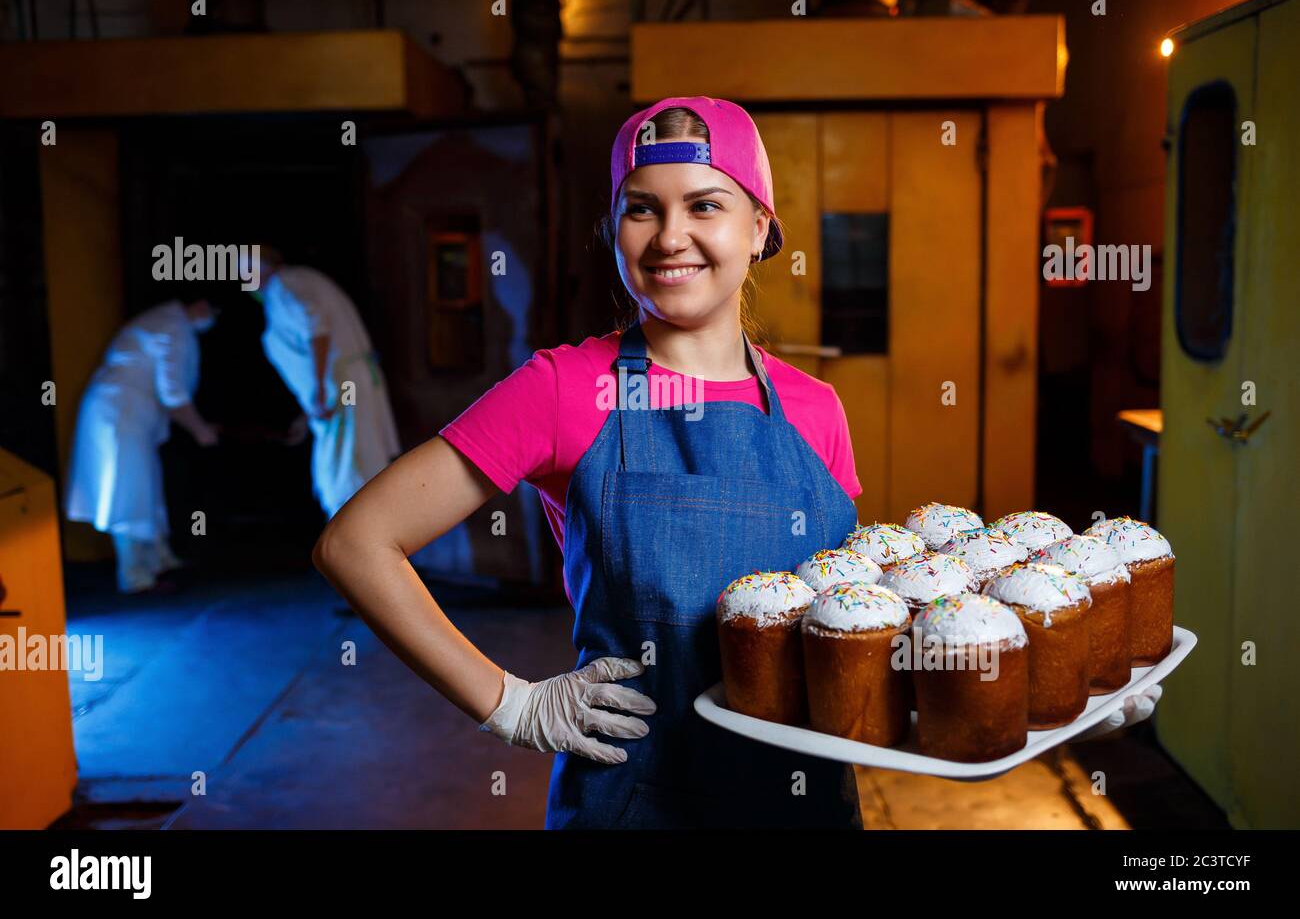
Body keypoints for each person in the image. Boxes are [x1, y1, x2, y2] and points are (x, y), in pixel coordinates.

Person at [311, 97, 1161, 829]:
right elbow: (356, 542)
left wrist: (1053, 698)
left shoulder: (816, 409)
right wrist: (512, 704)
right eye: (642, 208)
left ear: (760, 228)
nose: (669, 236)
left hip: (803, 807)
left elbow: (854, 642)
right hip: (636, 803)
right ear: (612, 228)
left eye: (704, 205)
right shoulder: (564, 388)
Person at [66, 299, 219, 594]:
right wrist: (201, 431)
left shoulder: (168, 321)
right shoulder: (172, 327)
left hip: (128, 415)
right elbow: (172, 392)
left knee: (143, 489)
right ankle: (136, 576)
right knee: (129, 493)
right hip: (121, 414)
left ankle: (158, 562)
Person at [248, 247, 400, 519]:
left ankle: (355, 552)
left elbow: (316, 329)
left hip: (341, 388)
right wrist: (308, 412)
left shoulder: (284, 285)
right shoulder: (303, 280)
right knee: (356, 464)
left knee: (345, 472)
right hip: (346, 384)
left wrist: (318, 390)